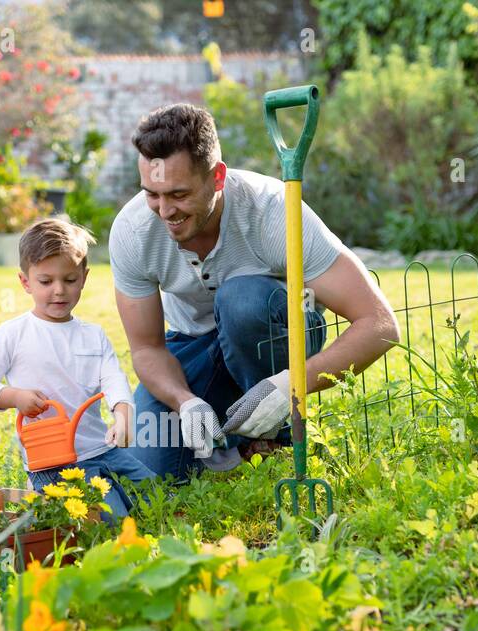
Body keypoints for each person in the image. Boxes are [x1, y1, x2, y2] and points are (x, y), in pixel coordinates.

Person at [108, 103, 401, 480]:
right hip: (192, 344)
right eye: (152, 194)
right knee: (151, 471)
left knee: (242, 300)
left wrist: (289, 386)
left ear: (217, 178)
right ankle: (226, 439)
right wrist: (185, 402)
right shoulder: (133, 232)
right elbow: (147, 348)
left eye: (179, 194)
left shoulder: (274, 211)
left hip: (271, 333)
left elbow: (379, 325)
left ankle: (276, 442)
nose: (165, 211)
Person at [0, 218, 156, 518]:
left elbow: (113, 379)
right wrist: (14, 396)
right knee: (111, 520)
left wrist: (122, 414)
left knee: (159, 497)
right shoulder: (13, 333)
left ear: (84, 278)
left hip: (102, 451)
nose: (59, 291)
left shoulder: (93, 334)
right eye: (46, 281)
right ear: (25, 282)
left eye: (69, 280)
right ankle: (58, 502)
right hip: (52, 461)